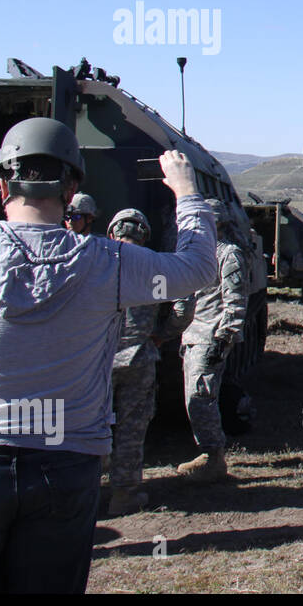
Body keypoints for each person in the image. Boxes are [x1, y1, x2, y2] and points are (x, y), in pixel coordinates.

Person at [0, 118, 217, 592]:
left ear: (0, 185)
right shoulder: (109, 261)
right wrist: (186, 191)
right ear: (73, 185)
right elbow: (199, 268)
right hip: (67, 462)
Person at [173, 199, 248, 483]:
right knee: (194, 397)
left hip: (210, 336)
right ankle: (208, 452)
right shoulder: (200, 253)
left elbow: (235, 300)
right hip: (193, 334)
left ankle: (212, 457)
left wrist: (224, 337)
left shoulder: (229, 255)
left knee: (200, 398)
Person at [104, 208, 162, 516]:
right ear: (144, 233)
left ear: (112, 232)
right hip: (139, 355)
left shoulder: (96, 259)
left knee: (89, 425)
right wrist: (162, 335)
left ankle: (84, 493)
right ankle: (123, 495)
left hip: (98, 360)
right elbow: (183, 307)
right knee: (131, 428)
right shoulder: (154, 265)